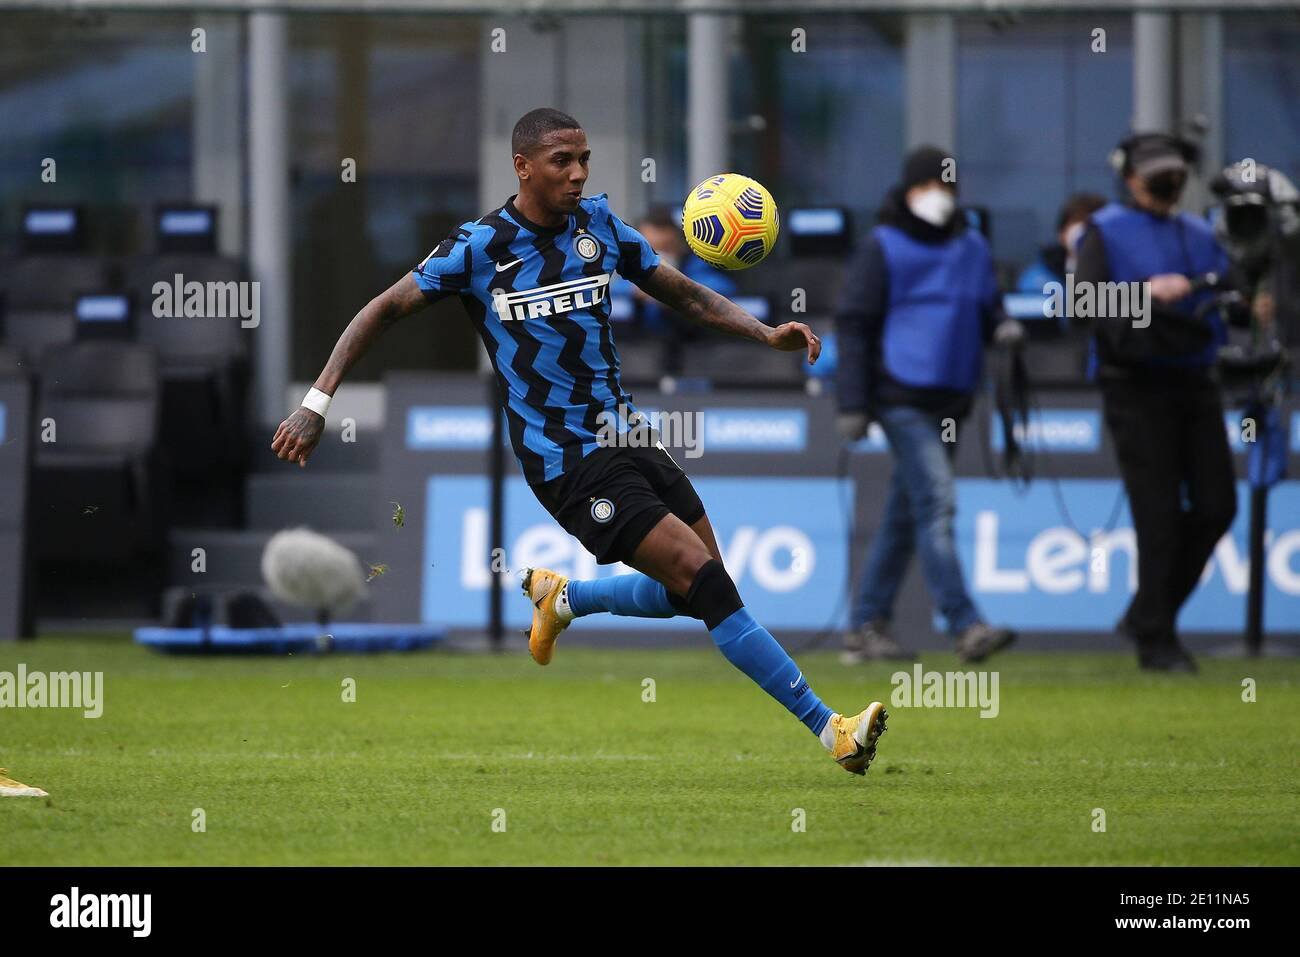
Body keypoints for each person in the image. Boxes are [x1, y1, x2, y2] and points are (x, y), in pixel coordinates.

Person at [272, 107, 890, 776]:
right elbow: (382, 309)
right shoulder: (479, 246)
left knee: (695, 591)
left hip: (626, 432)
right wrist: (316, 400)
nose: (577, 173)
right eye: (562, 162)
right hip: (565, 458)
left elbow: (680, 292)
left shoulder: (599, 223)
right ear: (523, 167)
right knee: (707, 583)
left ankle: (565, 598)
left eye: (583, 159)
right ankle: (832, 730)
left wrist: (764, 333)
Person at [834, 146, 1020, 664]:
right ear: (909, 190)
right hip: (900, 397)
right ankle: (965, 624)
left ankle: (866, 625)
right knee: (937, 500)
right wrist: (852, 400)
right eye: (930, 186)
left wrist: (1002, 326)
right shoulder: (883, 246)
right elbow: (855, 324)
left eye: (948, 187)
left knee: (905, 512)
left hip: (954, 399)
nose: (940, 196)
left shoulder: (972, 246)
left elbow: (986, 305)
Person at [1077, 132, 1236, 672]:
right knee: (1159, 515)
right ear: (1130, 179)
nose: (1169, 181)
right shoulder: (1104, 230)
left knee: (1218, 505)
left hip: (1195, 378)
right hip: (1134, 385)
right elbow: (1080, 304)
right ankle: (1157, 641)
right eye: (1156, 173)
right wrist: (1148, 292)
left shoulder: (1203, 232)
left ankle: (1148, 613)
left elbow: (1227, 295)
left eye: (1174, 172)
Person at [1016, 193, 1107, 292]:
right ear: (1062, 234)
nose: (1089, 233)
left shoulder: (1121, 277)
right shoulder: (1037, 281)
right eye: (1079, 221)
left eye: (1093, 225)